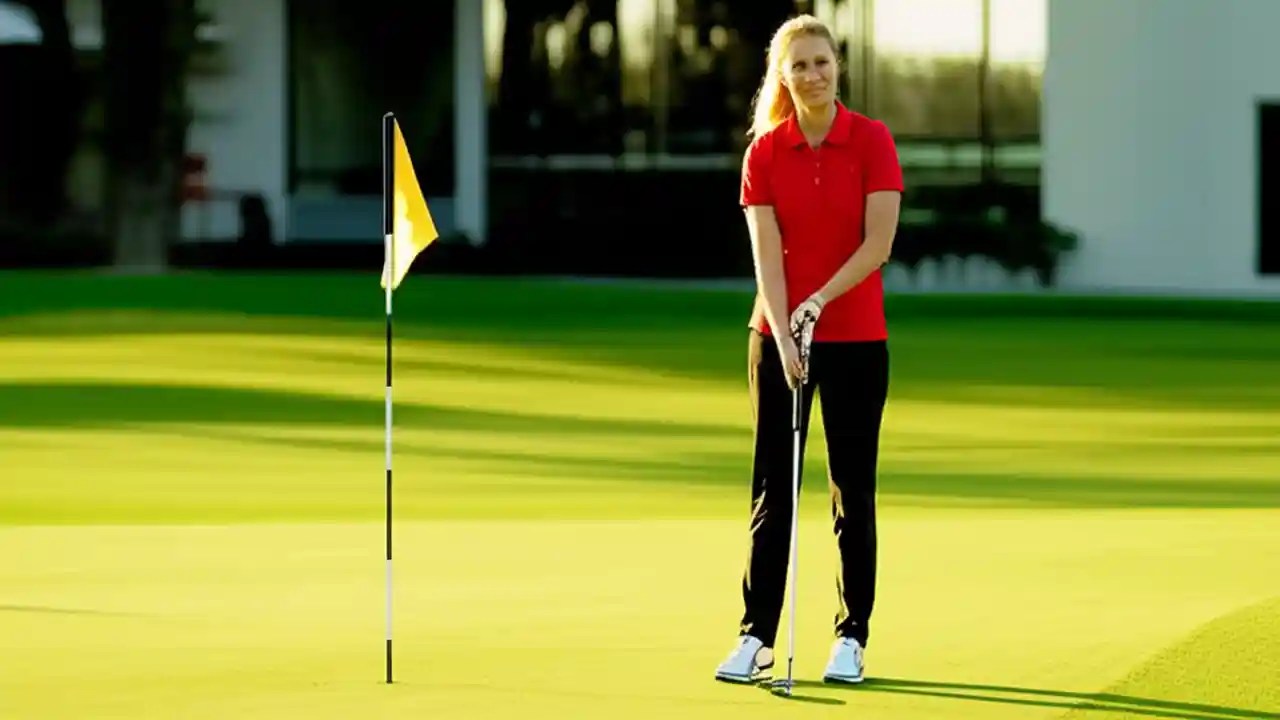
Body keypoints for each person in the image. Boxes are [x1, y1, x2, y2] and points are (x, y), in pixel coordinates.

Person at [714, 13, 903, 686]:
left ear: (837, 66)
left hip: (856, 339)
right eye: (799, 65)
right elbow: (765, 250)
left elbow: (877, 245)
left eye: (821, 62)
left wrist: (818, 302)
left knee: (852, 490)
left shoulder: (872, 141)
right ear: (783, 76)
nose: (812, 74)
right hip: (777, 340)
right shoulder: (764, 152)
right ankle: (755, 636)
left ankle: (851, 637)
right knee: (773, 487)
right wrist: (785, 321)